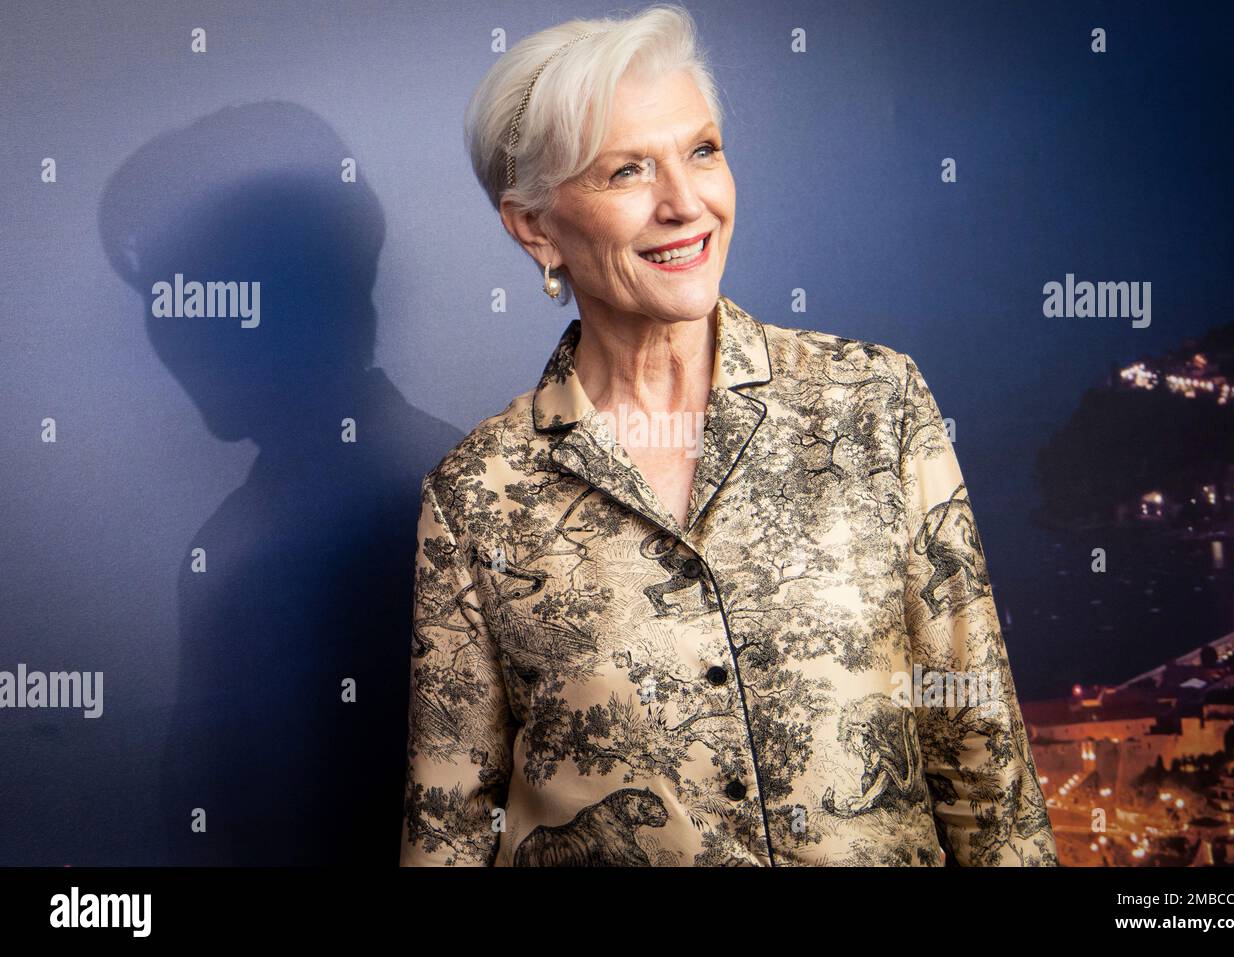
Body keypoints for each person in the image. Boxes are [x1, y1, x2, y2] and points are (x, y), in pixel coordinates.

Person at [399, 3, 1058, 866]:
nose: (686, 203)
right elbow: (447, 831)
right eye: (629, 170)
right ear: (534, 226)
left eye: (702, 151)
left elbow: (982, 756)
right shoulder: (477, 494)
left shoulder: (875, 403)